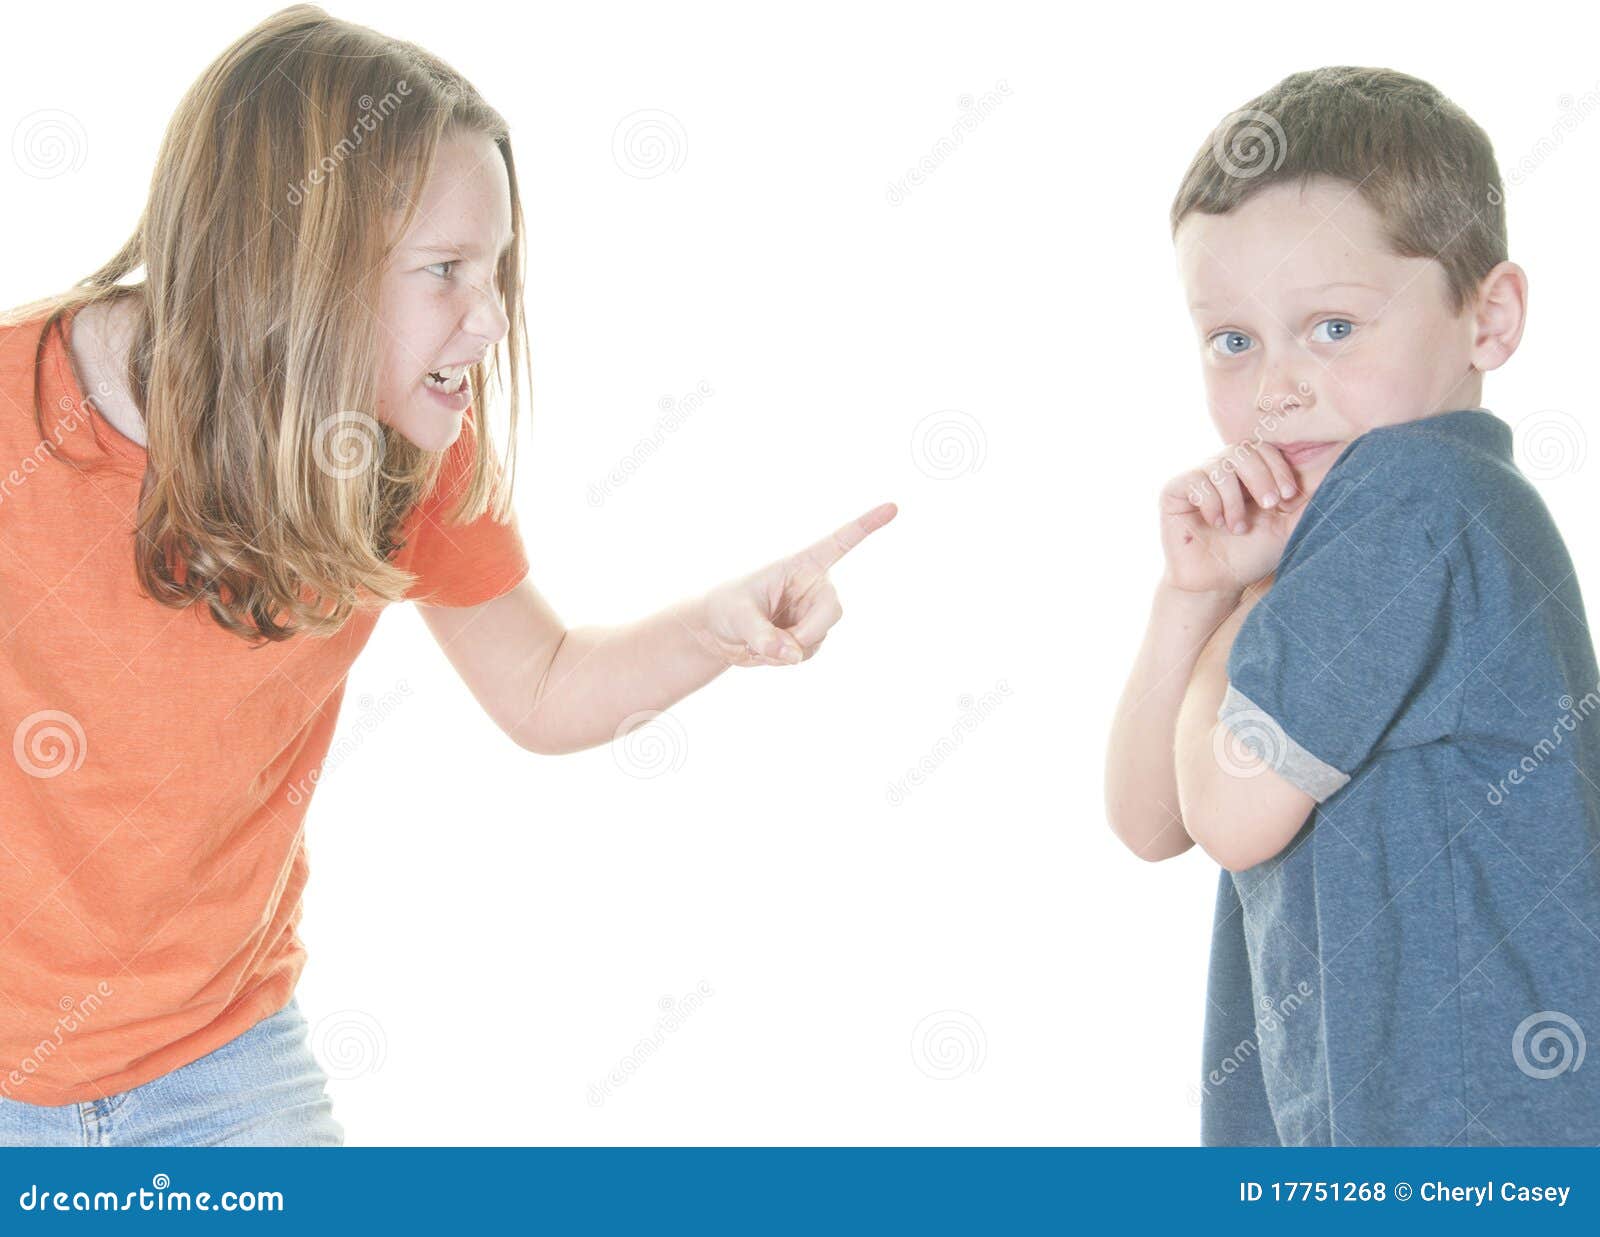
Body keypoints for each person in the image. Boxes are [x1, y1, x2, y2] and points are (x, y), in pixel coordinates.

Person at [0, 4, 895, 1146]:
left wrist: (715, 630)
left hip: (218, 1060)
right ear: (293, 264)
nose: (487, 320)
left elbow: (544, 684)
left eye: (498, 270)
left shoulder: (402, 450)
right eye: (446, 272)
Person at [1105, 66, 1600, 1145]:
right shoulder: (1371, 527)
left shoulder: (1417, 495)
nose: (1276, 385)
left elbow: (1231, 815)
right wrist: (1194, 593)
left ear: (1489, 316)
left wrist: (1239, 606)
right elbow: (1151, 823)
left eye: (1332, 327)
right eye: (1233, 340)